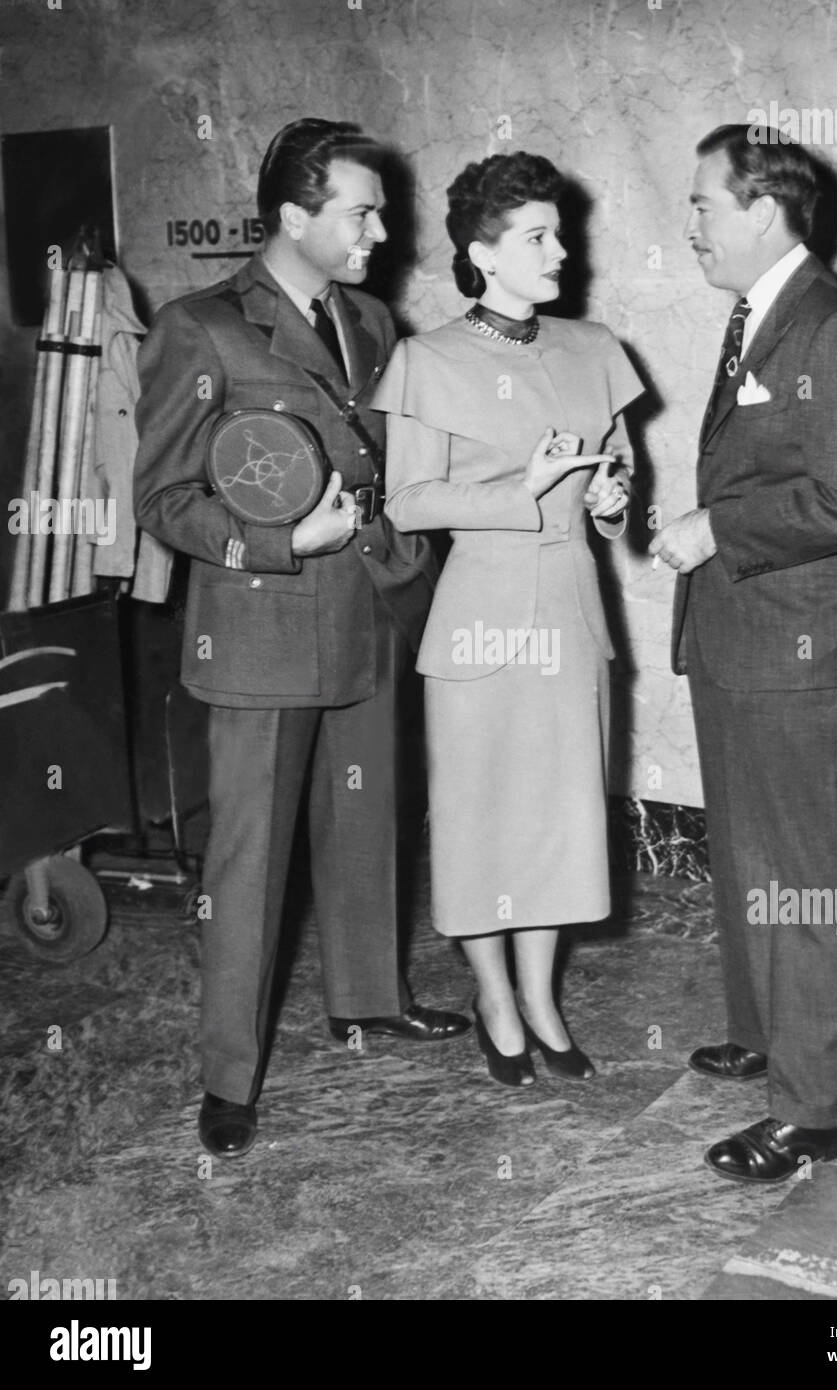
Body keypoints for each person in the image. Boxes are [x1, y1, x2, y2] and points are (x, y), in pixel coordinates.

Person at [134, 119, 469, 1160]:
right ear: (293, 217)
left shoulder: (368, 318)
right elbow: (162, 499)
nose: (382, 229)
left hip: (366, 614)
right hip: (261, 630)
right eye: (361, 211)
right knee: (248, 862)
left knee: (366, 824)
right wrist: (279, 537)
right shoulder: (203, 328)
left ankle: (367, 999)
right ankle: (229, 1075)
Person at [650, 124, 837, 1182]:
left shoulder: (835, 328)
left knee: (802, 869)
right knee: (753, 853)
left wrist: (715, 531)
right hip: (743, 638)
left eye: (704, 203)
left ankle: (817, 1106)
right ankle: (768, 1030)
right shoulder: (762, 318)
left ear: (761, 209)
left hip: (796, 650)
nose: (692, 223)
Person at [373, 152, 644, 1086]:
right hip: (480, 614)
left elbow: (617, 486)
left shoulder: (594, 348)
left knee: (559, 816)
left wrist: (611, 501)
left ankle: (541, 995)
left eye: (558, 231)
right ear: (482, 255)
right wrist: (519, 492)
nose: (560, 250)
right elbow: (407, 502)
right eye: (538, 236)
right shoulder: (428, 359)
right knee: (484, 815)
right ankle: (493, 994)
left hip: (570, 608)